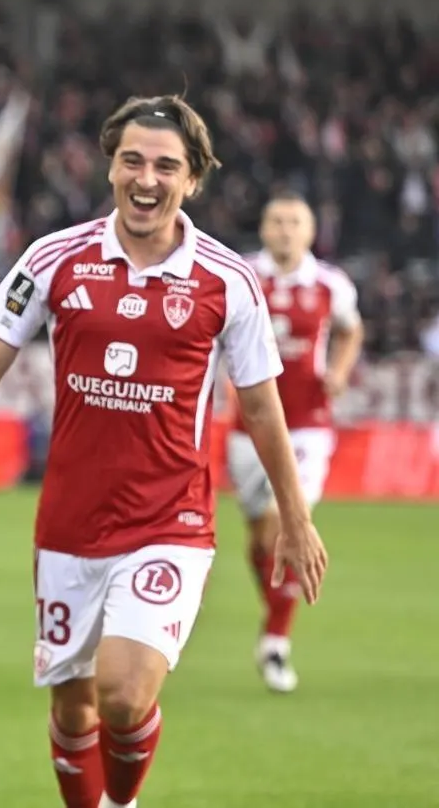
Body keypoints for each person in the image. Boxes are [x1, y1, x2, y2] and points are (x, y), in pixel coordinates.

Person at [0, 94, 328, 808]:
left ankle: (122, 801)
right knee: (72, 707)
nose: (147, 179)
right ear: (110, 167)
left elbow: (263, 405)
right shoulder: (54, 258)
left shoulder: (225, 279)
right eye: (132, 161)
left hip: (169, 522)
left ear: (193, 180)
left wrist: (295, 517)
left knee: (122, 693)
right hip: (68, 525)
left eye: (166, 166)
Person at [226, 191, 362, 693]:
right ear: (263, 228)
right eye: (276, 221)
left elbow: (350, 330)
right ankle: (276, 611)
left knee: (291, 519)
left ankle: (276, 642)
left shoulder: (331, 284)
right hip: (249, 427)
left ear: (310, 232)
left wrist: (341, 371)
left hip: (307, 424)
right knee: (262, 536)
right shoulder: (240, 275)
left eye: (294, 223)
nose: (285, 230)